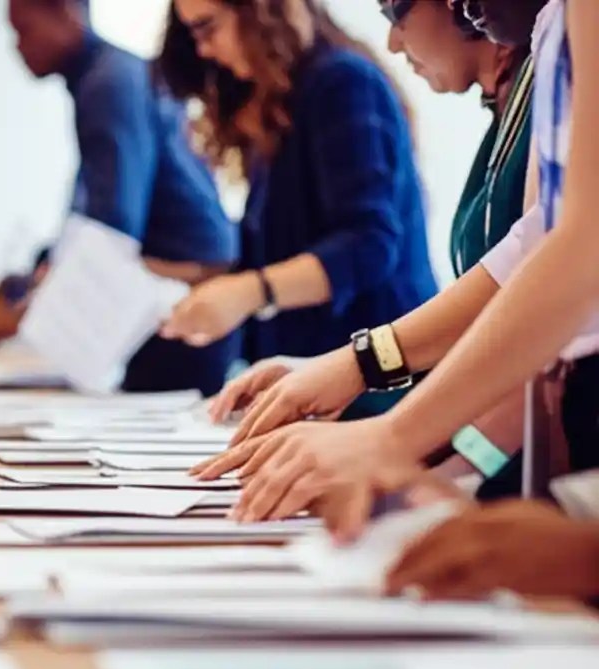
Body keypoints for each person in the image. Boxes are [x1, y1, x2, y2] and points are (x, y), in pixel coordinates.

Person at [197, 0, 599, 538]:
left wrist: (397, 434)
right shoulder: (553, 30)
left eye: (394, 9)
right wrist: (364, 377)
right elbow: (532, 255)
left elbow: (570, 254)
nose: (465, 9)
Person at [156, 0, 438, 418]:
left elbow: (368, 247)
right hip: (322, 388)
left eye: (208, 28)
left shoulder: (342, 84)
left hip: (379, 391)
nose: (203, 50)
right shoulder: (282, 102)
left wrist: (250, 292)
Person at [0, 0, 239, 396]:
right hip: (171, 297)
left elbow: (113, 220)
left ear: (67, 12)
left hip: (178, 303)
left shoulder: (109, 82)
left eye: (24, 30)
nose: (17, 47)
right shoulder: (105, 75)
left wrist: (38, 299)